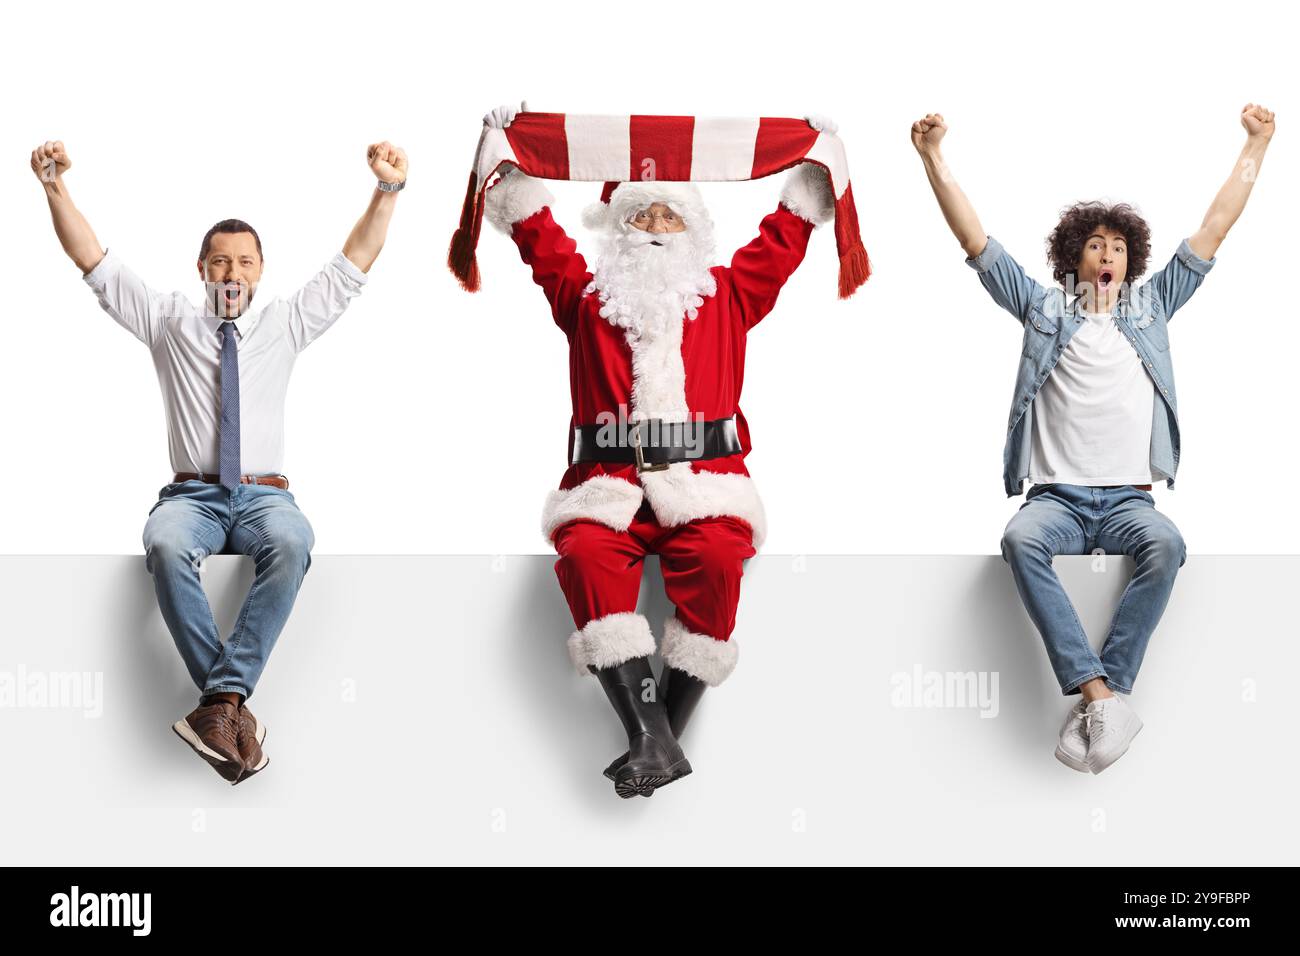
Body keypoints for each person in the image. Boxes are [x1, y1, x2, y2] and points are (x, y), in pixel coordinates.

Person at [481, 103, 838, 797]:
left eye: (669, 218)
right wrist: (505, 154)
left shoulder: (730, 294)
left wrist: (817, 165)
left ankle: (653, 739)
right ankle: (654, 740)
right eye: (640, 217)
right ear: (617, 232)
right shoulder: (582, 297)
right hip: (606, 486)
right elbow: (535, 231)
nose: (653, 230)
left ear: (693, 233)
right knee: (584, 557)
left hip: (706, 484)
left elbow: (787, 234)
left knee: (715, 560)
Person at [911, 104, 1275, 773]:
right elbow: (977, 243)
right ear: (1072, 256)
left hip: (1130, 502)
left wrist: (1257, 143)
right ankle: (1101, 696)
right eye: (1094, 244)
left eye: (1117, 246)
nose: (1106, 253)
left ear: (1129, 259)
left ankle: (1102, 699)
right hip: (1059, 500)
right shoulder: (1042, 309)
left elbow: (1215, 226)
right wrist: (933, 157)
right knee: (1020, 541)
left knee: (1167, 547)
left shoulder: (1153, 307)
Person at [32, 138, 408, 783]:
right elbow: (90, 258)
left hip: (266, 496)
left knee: (294, 544)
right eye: (220, 262)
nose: (232, 272)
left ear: (259, 271)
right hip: (191, 499)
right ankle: (228, 703)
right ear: (202, 268)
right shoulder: (167, 320)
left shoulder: (286, 323)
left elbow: (356, 261)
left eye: (244, 262)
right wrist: (53, 186)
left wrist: (387, 190)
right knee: (167, 547)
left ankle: (217, 704)